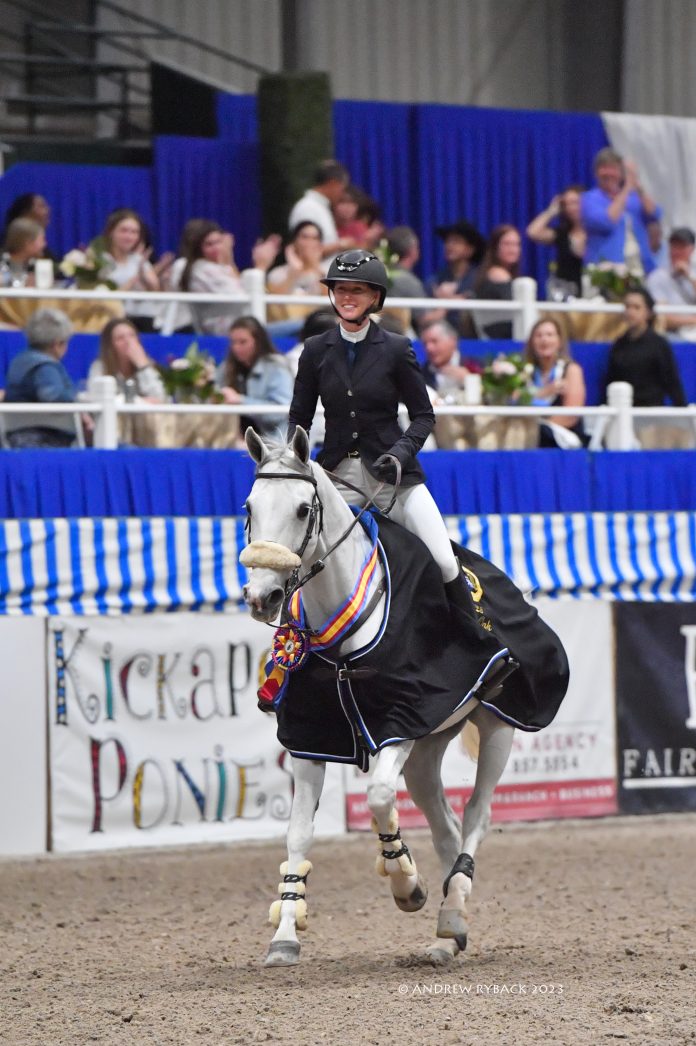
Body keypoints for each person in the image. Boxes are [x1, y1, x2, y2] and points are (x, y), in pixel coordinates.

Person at [287, 248, 473, 611]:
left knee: (444, 560)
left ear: (374, 297)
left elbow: (423, 416)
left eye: (356, 290)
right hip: (337, 478)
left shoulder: (396, 348)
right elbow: (299, 419)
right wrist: (298, 466)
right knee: (300, 560)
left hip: (393, 477)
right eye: (340, 289)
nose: (346, 297)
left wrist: (400, 454)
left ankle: (472, 637)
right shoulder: (314, 350)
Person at [3, 308, 91, 447]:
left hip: (15, 438)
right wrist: (78, 404)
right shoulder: (46, 367)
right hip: (44, 440)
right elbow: (53, 397)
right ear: (57, 344)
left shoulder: (17, 362)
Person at [581, 148, 662, 278]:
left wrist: (638, 186)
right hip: (605, 272)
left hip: (640, 268)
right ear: (596, 173)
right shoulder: (590, 199)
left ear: (621, 173)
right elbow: (607, 221)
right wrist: (626, 189)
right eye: (604, 168)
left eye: (613, 168)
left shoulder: (634, 198)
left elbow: (654, 214)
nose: (609, 173)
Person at [604, 289, 687, 408]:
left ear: (648, 312)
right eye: (627, 307)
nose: (630, 312)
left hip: (651, 412)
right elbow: (611, 381)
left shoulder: (659, 344)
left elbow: (672, 382)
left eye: (636, 307)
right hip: (623, 411)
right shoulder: (618, 344)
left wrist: (682, 415)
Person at [217, 315, 293, 439]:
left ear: (258, 341)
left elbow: (280, 412)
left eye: (243, 342)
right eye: (233, 342)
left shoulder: (277, 367)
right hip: (231, 440)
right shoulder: (226, 367)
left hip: (272, 442)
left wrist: (240, 401)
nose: (236, 347)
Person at [523, 318, 587, 448]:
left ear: (559, 341)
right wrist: (544, 392)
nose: (544, 340)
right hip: (528, 432)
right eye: (539, 335)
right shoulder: (525, 372)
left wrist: (539, 426)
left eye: (549, 335)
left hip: (561, 437)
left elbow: (571, 415)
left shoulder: (571, 370)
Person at [99, 208, 162, 333]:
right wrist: (134, 280)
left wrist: (143, 275)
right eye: (124, 231)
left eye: (134, 232)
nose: (129, 236)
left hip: (146, 320)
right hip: (114, 321)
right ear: (111, 232)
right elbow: (105, 298)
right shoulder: (101, 260)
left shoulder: (139, 260)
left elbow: (156, 290)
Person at [422, 220, 485, 335]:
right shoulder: (435, 280)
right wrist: (450, 302)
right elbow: (425, 318)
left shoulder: (479, 279)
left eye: (456, 241)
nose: (449, 246)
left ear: (470, 250)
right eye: (448, 241)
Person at [265, 221, 328, 333]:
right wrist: (294, 274)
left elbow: (331, 301)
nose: (309, 243)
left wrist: (315, 267)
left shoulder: (326, 272)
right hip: (284, 326)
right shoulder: (278, 273)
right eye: (305, 237)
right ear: (294, 241)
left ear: (320, 244)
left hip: (317, 327)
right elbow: (274, 305)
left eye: (314, 238)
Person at [526, 186, 586, 297]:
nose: (571, 208)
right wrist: (551, 211)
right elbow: (532, 232)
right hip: (567, 295)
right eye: (566, 204)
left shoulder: (598, 233)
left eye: (575, 202)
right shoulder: (562, 233)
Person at [88, 317, 166, 400]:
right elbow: (98, 398)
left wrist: (142, 366)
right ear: (110, 345)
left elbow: (160, 397)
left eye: (132, 336)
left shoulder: (147, 365)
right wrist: (139, 401)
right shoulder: (100, 367)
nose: (128, 342)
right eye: (120, 338)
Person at [287, 160, 351, 259]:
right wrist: (341, 244)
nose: (341, 194)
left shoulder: (320, 207)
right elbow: (305, 251)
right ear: (332, 184)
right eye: (342, 189)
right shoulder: (307, 208)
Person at [472, 224, 523, 339]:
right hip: (499, 334)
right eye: (507, 244)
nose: (513, 249)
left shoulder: (503, 273)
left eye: (516, 244)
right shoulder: (497, 273)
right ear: (495, 247)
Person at [645, 227, 696, 341]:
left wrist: (689, 277)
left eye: (682, 247)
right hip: (673, 334)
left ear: (692, 249)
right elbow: (660, 317)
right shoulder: (657, 277)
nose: (677, 251)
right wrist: (693, 321)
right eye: (674, 246)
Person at [1, 218, 47, 286]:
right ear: (27, 243)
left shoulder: (38, 267)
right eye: (42, 240)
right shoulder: (2, 263)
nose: (44, 244)